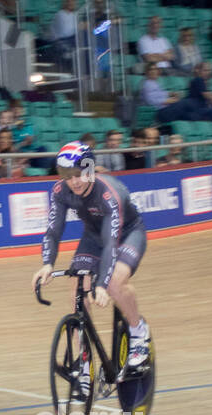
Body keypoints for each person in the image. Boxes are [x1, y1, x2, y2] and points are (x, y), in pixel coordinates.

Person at [31, 141, 152, 400]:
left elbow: (111, 244)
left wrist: (101, 284)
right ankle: (85, 367)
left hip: (127, 235)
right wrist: (47, 264)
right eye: (67, 176)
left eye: (78, 175)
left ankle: (138, 331)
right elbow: (54, 230)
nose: (73, 182)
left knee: (114, 284)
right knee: (76, 286)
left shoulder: (109, 193)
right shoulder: (61, 191)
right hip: (94, 236)